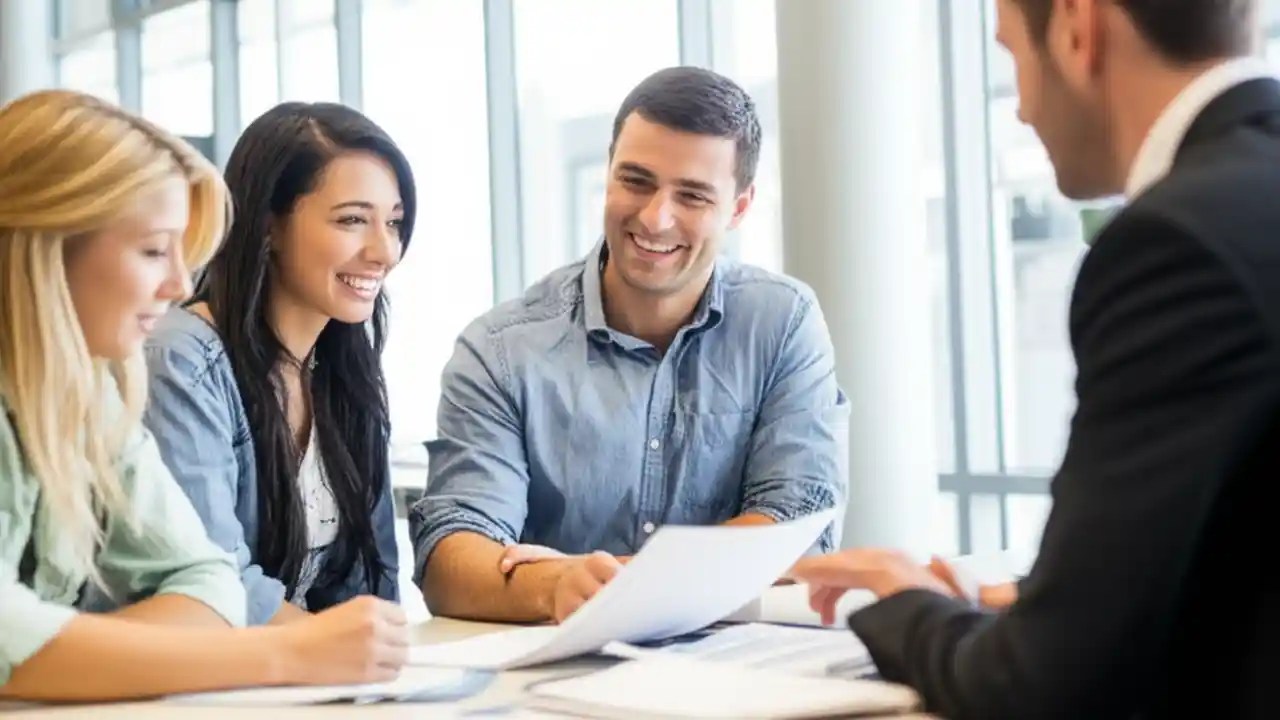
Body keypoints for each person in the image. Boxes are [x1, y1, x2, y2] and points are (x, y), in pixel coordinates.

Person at [790, 1, 1280, 717]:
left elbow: (1040, 688)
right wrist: (1074, 601)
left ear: (1079, 28)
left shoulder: (1178, 241)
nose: (1019, 109)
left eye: (1011, 53)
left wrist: (905, 602)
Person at [0, 90, 407, 702]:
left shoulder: (85, 394)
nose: (177, 283)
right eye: (151, 250)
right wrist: (281, 654)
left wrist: (50, 655)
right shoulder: (175, 355)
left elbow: (208, 582)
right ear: (50, 245)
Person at [412, 66, 850, 625]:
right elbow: (452, 557)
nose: (654, 218)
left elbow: (798, 522)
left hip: (731, 671)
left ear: (739, 208)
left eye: (691, 195)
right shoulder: (500, 349)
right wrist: (557, 587)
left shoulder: (782, 322)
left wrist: (604, 580)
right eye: (636, 181)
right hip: (552, 680)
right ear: (610, 172)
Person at [144, 102, 413, 625]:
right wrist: (333, 646)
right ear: (269, 225)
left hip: (300, 686)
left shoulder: (343, 370)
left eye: (395, 222)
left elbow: (370, 589)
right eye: (353, 220)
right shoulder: (181, 360)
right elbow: (214, 585)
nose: (385, 251)